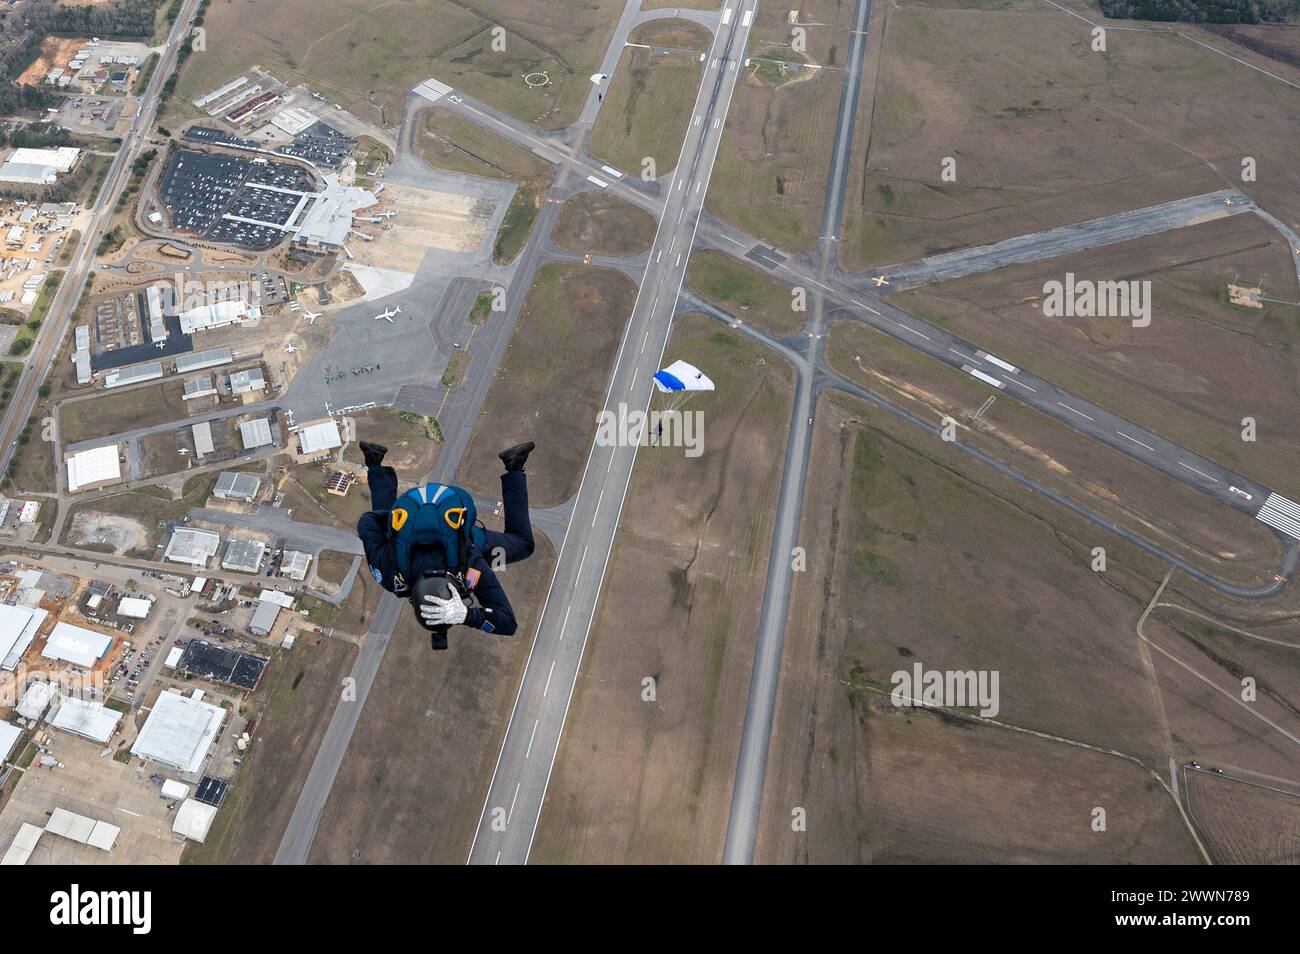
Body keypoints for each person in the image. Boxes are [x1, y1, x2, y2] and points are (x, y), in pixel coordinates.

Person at [356, 439, 536, 649]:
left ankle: (514, 466)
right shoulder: (391, 575)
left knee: (524, 544)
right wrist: (398, 520)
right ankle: (374, 462)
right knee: (390, 536)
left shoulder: (471, 566)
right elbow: (367, 524)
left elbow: (508, 624)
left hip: (467, 540)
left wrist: (468, 615)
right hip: (427, 522)